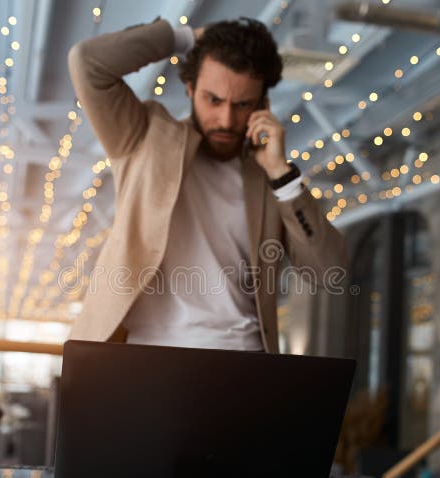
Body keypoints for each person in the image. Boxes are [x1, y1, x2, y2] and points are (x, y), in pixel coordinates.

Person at [67, 17, 347, 353]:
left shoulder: (268, 178)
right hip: (148, 358)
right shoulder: (143, 136)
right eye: (213, 100)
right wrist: (185, 38)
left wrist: (281, 174)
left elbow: (330, 272)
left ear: (262, 105)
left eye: (242, 104)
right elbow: (87, 62)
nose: (226, 120)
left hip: (243, 364)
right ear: (190, 88)